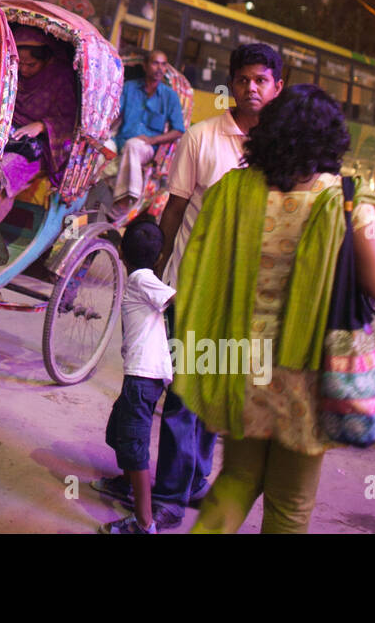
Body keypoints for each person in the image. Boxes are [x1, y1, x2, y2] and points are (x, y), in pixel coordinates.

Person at [173, 85, 375, 533]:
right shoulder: (346, 199)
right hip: (307, 371)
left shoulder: (232, 190)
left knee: (236, 478)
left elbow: (204, 267)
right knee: (289, 506)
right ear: (331, 139)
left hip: (240, 363)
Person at [140, 42, 284, 529]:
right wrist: (156, 272)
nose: (251, 88)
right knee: (183, 395)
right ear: (232, 83)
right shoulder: (202, 136)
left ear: (276, 87)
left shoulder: (280, 150)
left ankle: (192, 481)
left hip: (244, 296)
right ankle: (168, 498)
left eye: (261, 80)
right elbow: (175, 209)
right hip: (191, 285)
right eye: (243, 79)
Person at [97, 220, 176, 534]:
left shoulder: (143, 279)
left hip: (143, 377)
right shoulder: (143, 278)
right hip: (142, 377)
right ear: (159, 258)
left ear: (119, 251)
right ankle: (124, 485)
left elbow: (175, 299)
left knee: (133, 444)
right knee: (119, 430)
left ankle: (144, 524)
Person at [0, 24, 77, 221]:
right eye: (20, 63)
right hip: (5, 135)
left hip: (38, 146)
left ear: (46, 59)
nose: (23, 70)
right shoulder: (10, 70)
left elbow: (70, 120)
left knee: (1, 173)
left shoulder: (60, 77)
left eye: (31, 65)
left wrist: (41, 125)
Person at [110, 49, 185, 222]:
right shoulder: (129, 88)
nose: (159, 68)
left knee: (134, 145)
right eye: (155, 63)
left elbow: (178, 130)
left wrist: (152, 140)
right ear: (145, 66)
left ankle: (127, 200)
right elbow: (114, 113)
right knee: (102, 147)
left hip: (147, 148)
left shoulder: (170, 97)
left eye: (163, 64)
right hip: (120, 139)